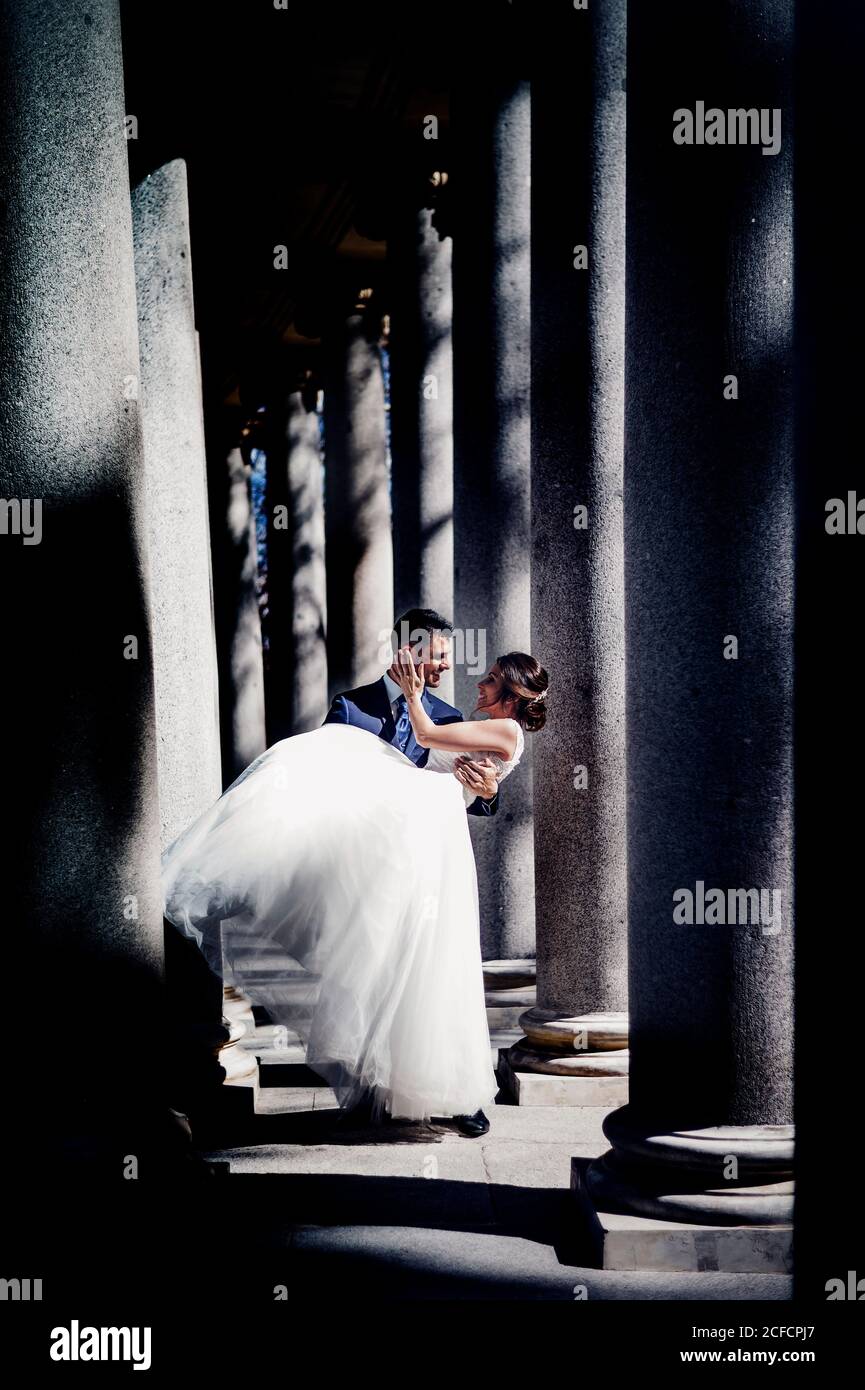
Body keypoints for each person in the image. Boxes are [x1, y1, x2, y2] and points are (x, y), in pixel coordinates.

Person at [161, 617, 549, 1137]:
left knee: (435, 966)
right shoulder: (351, 706)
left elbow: (473, 778)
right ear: (408, 652)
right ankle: (391, 1081)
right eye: (436, 656)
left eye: (453, 660)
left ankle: (456, 1089)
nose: (446, 669)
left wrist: (487, 790)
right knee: (381, 972)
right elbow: (324, 787)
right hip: (368, 864)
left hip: (429, 854)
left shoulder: (451, 715)